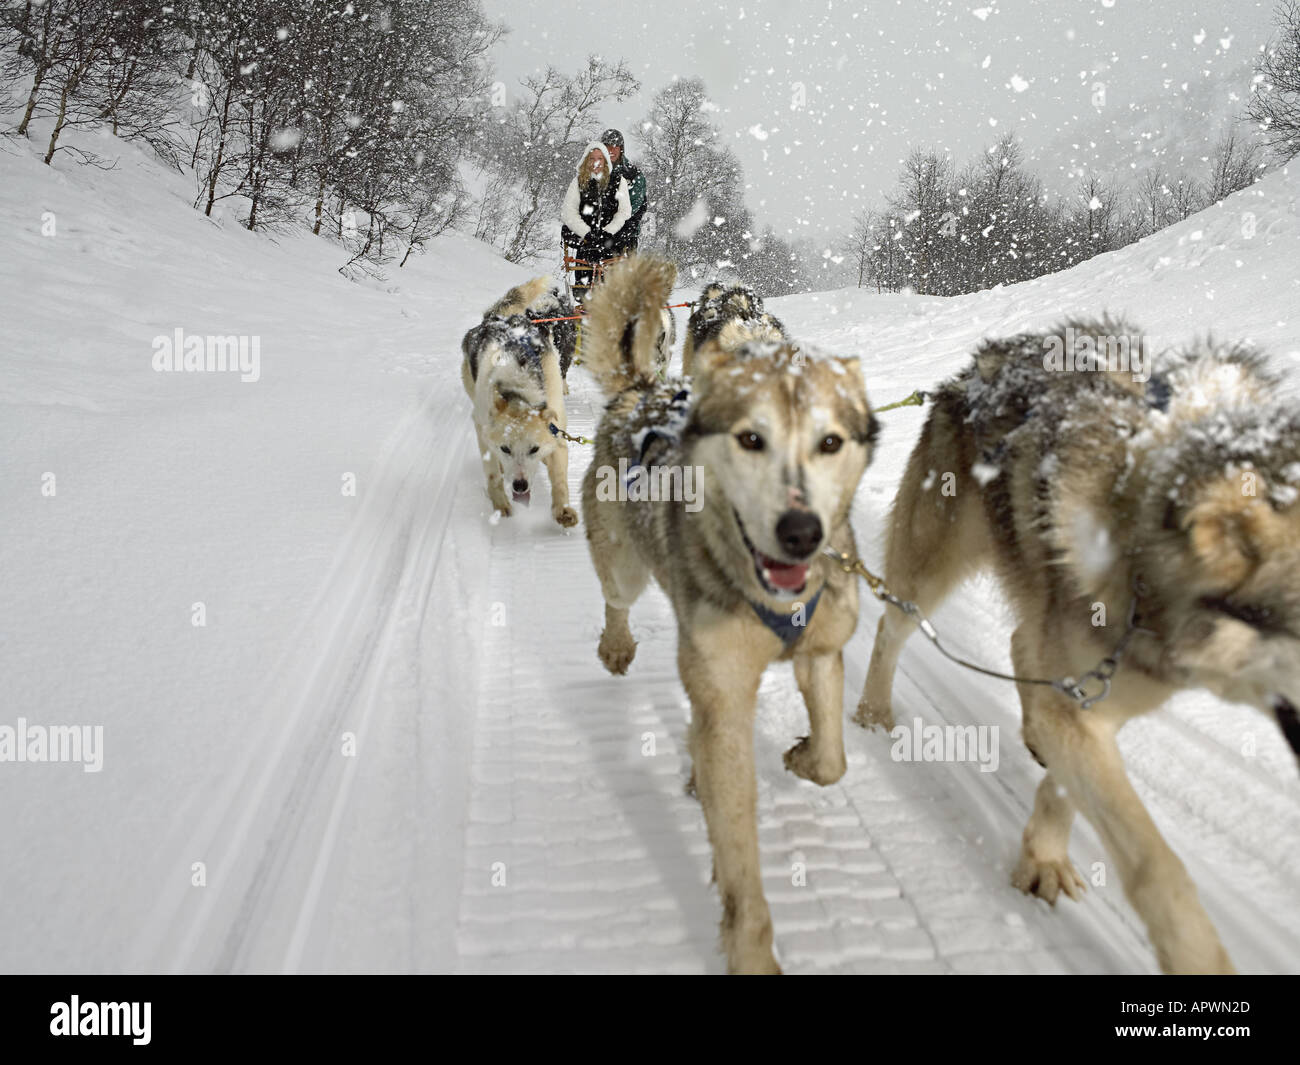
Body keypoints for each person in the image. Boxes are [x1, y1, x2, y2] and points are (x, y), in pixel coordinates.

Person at [559, 130, 646, 298]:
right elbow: (571, 211)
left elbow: (631, 211)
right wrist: (589, 234)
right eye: (608, 146)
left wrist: (611, 234)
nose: (612, 150)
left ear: (621, 149)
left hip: (621, 236)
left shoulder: (631, 176)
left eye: (616, 147)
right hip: (590, 237)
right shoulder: (582, 180)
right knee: (583, 287)